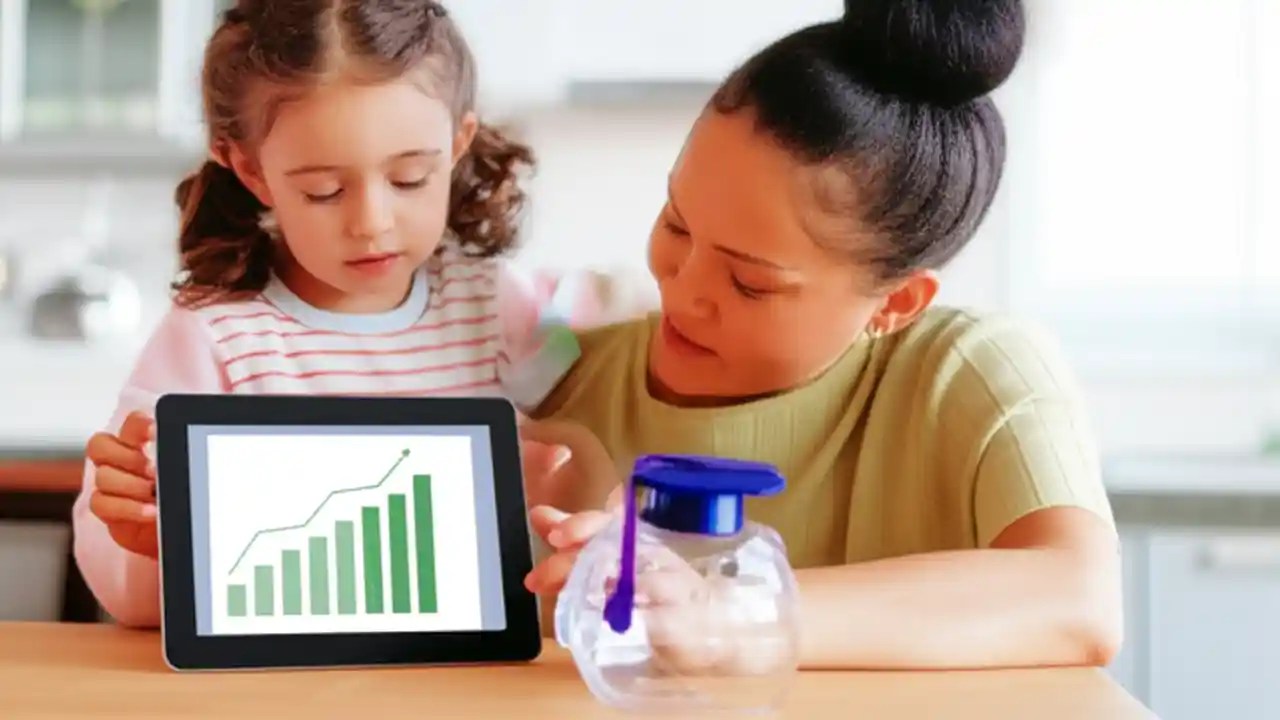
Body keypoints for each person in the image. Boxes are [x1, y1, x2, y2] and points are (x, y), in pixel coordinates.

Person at [522, 0, 1123, 671]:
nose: (683, 289)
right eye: (677, 225)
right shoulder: (564, 376)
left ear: (896, 302)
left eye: (750, 283)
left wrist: (728, 616)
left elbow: (1080, 599)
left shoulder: (972, 372)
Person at [73, 0, 590, 628]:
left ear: (457, 145)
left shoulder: (502, 307)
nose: (371, 223)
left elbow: (612, 415)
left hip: (467, 682)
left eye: (409, 179)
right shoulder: (216, 338)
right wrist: (151, 545)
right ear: (250, 170)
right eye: (324, 191)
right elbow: (131, 601)